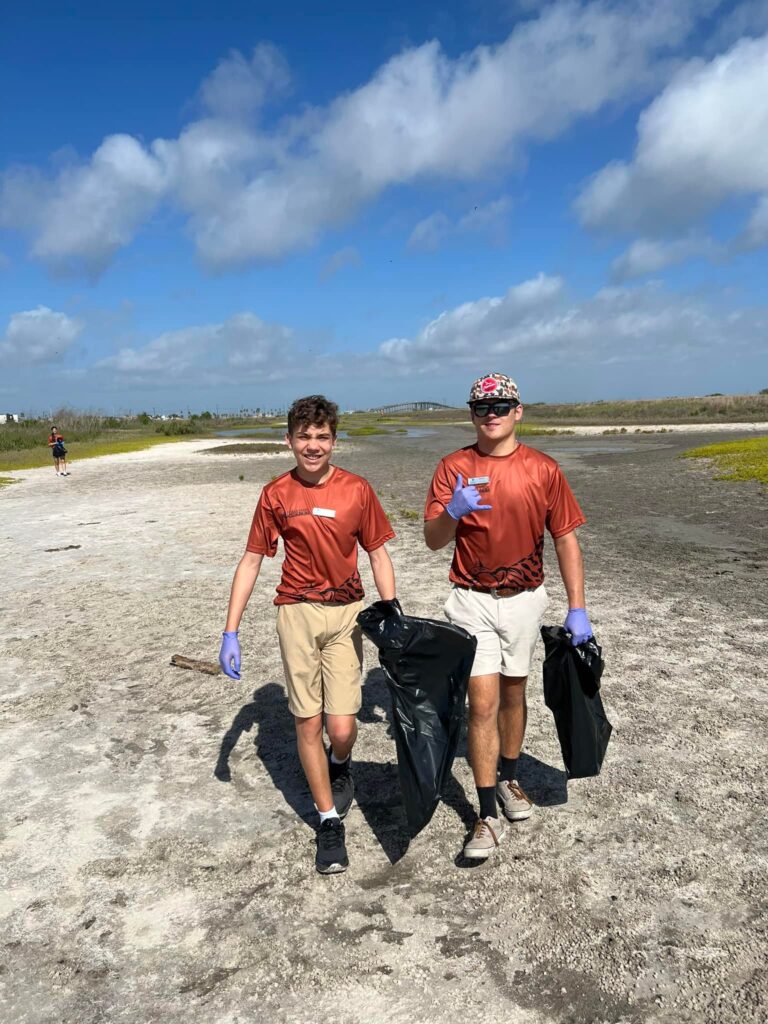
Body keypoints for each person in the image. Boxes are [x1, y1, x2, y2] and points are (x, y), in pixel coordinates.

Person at [219, 395, 397, 875]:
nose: (313, 446)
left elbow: (378, 552)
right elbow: (253, 559)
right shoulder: (276, 494)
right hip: (296, 612)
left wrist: (391, 608)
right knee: (307, 723)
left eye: (322, 437)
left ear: (335, 442)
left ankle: (339, 765)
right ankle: (328, 821)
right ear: (289, 440)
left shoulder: (357, 491)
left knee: (342, 729)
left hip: (346, 615)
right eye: (304, 437)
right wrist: (230, 630)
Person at [424, 372, 592, 860]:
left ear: (519, 410)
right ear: (471, 414)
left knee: (514, 693)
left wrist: (576, 607)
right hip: (471, 597)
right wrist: (452, 511)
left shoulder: (543, 469)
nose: (491, 413)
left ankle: (510, 778)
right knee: (481, 703)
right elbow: (434, 540)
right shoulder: (452, 466)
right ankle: (484, 814)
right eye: (481, 407)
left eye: (501, 405)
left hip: (524, 597)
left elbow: (565, 537)